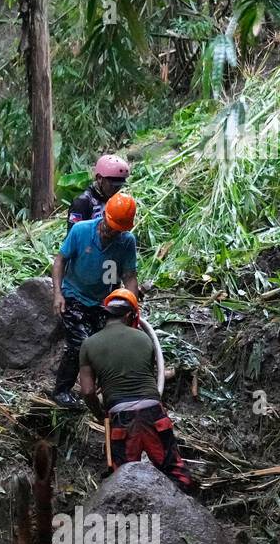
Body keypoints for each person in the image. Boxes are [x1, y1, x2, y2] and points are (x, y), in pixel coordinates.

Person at [78, 289, 195, 494]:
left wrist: (99, 415)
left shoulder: (88, 344)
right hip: (153, 413)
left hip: (121, 418)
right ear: (129, 315)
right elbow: (147, 374)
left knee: (122, 479)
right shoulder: (144, 339)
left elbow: (87, 391)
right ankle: (188, 513)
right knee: (176, 473)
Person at [52, 192, 138, 407]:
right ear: (104, 216)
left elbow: (129, 277)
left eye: (118, 230)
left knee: (105, 346)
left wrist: (131, 307)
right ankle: (61, 391)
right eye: (110, 226)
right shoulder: (81, 231)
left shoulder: (126, 242)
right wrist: (57, 294)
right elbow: (60, 260)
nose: (112, 232)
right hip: (74, 295)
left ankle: (102, 393)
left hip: (104, 301)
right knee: (80, 344)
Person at [69, 154, 130, 225]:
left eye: (119, 186)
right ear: (99, 178)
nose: (115, 190)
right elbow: (73, 233)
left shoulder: (117, 200)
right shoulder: (82, 202)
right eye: (112, 185)